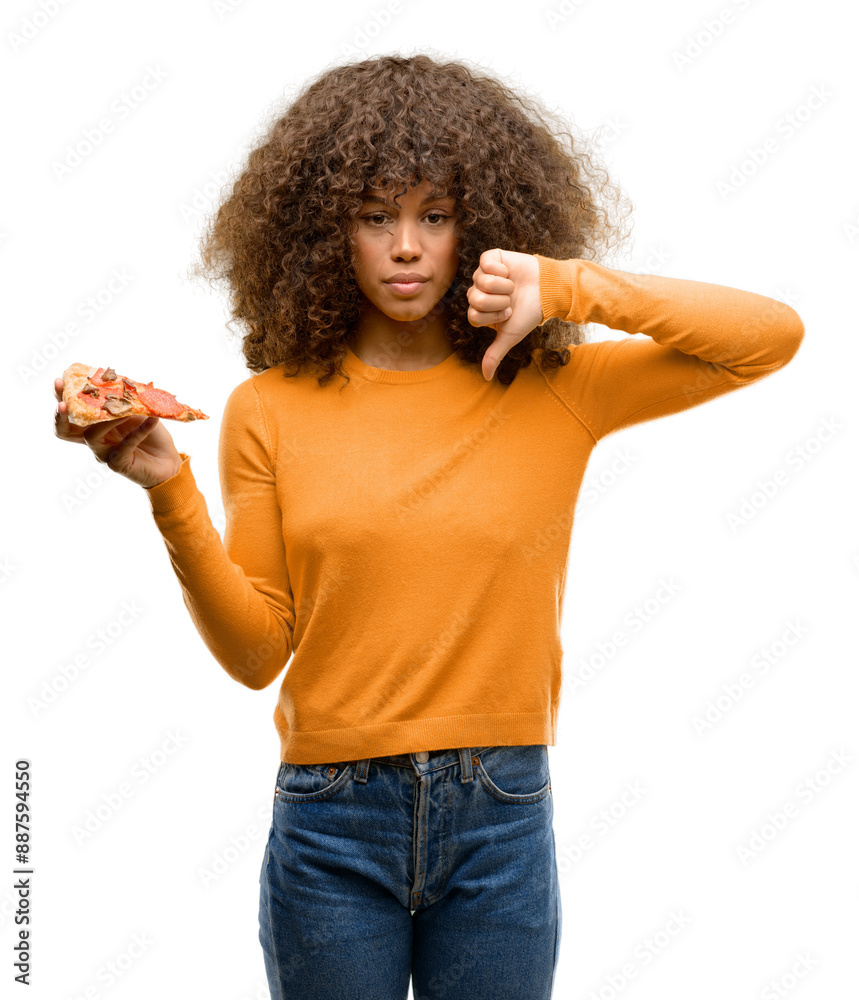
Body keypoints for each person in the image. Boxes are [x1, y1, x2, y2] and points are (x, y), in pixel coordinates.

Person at [53, 51, 804, 1000]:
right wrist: (170, 491)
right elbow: (255, 654)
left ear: (479, 228)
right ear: (326, 231)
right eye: (375, 216)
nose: (406, 246)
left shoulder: (554, 388)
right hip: (330, 820)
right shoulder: (267, 408)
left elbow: (767, 337)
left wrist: (569, 288)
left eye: (434, 216)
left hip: (502, 811)